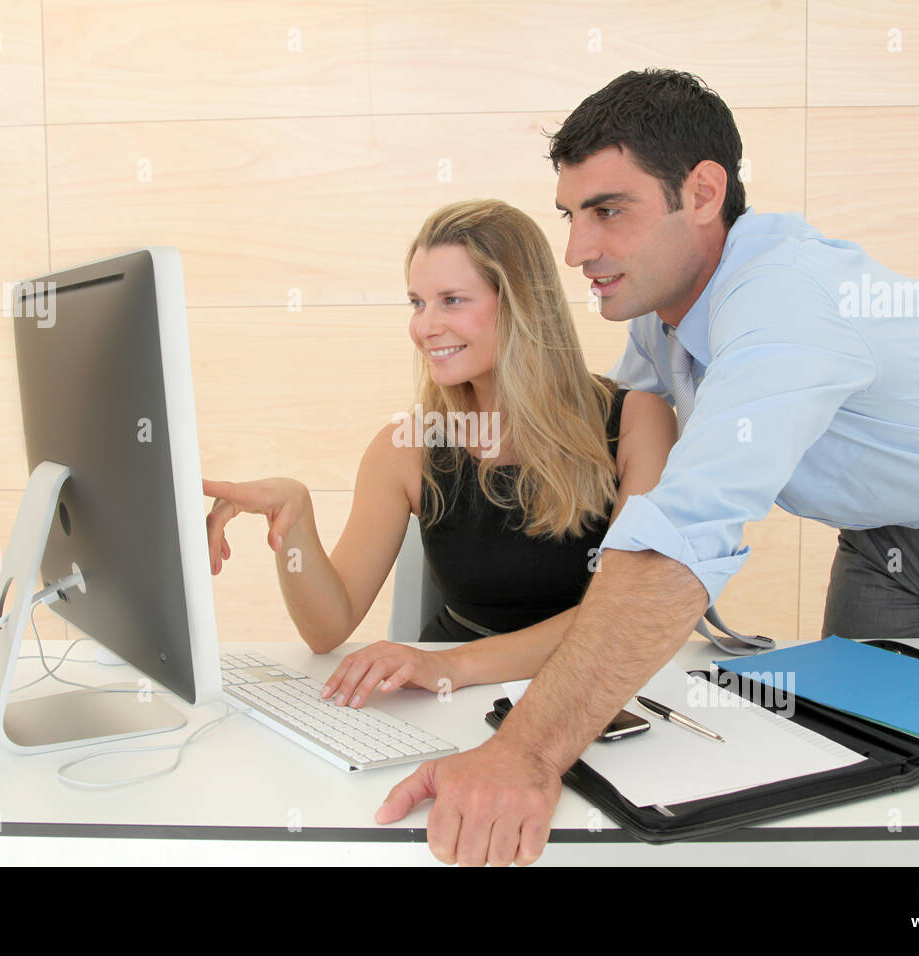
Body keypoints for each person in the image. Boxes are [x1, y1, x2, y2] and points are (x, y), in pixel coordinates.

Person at [372, 68, 919, 866]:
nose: (578, 250)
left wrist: (531, 754)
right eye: (571, 215)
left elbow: (681, 530)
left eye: (609, 211)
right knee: (853, 766)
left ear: (704, 192)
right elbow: (621, 449)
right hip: (886, 544)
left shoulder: (785, 299)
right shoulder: (661, 317)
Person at [202, 198, 675, 709]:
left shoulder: (637, 423)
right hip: (446, 705)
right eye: (417, 302)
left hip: (590, 693)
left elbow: (628, 611)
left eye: (452, 300)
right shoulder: (405, 448)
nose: (424, 326)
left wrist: (453, 665)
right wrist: (292, 516)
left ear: (520, 304)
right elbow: (326, 629)